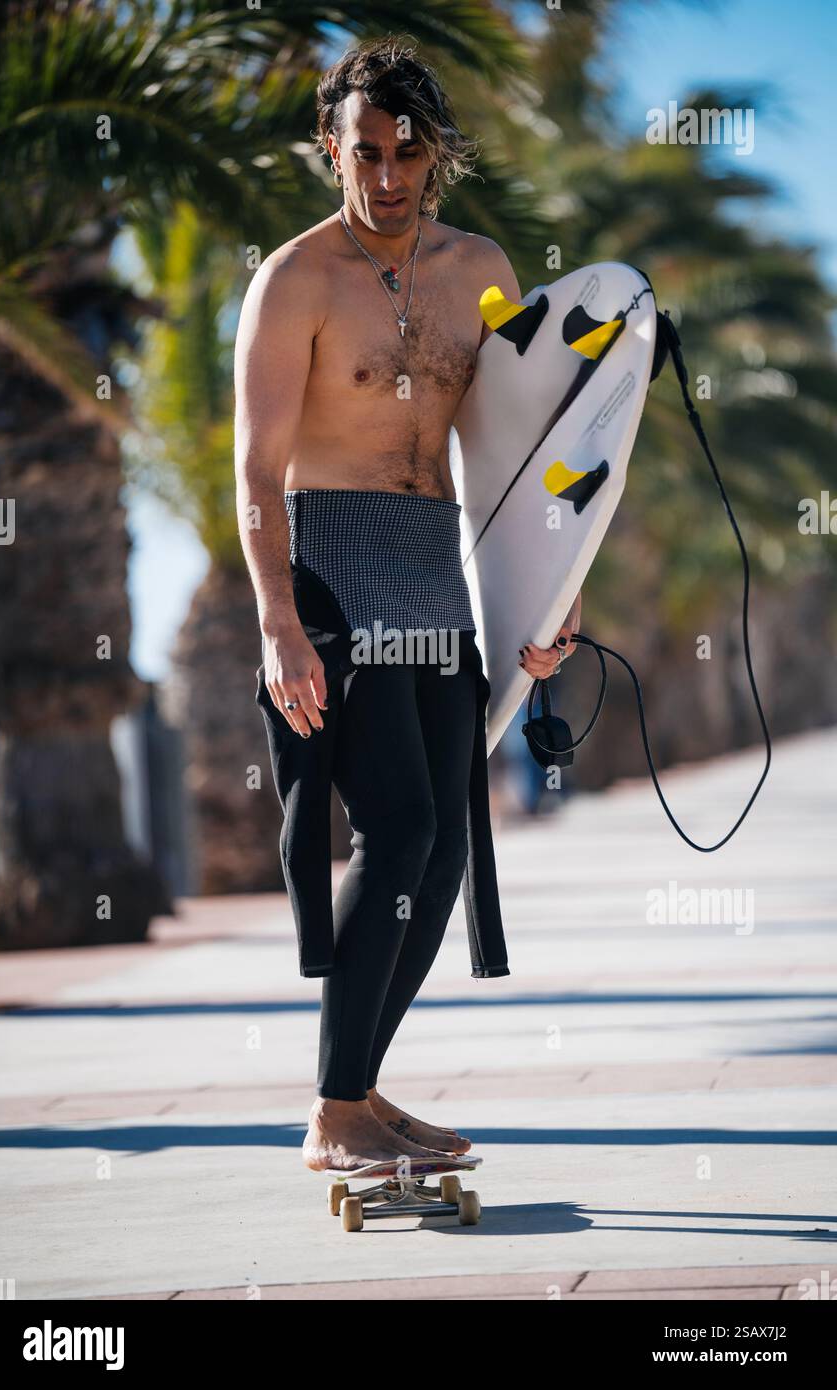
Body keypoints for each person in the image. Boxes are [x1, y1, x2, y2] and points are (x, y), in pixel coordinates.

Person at [234, 38, 581, 1174]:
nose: (386, 176)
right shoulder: (295, 279)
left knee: (441, 855)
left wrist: (554, 587)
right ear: (332, 150)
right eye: (366, 152)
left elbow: (523, 448)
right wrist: (279, 622)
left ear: (437, 154)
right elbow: (255, 473)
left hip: (437, 572)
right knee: (397, 832)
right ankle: (335, 1112)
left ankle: (358, 1091)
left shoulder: (481, 269)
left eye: (407, 151)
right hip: (334, 574)